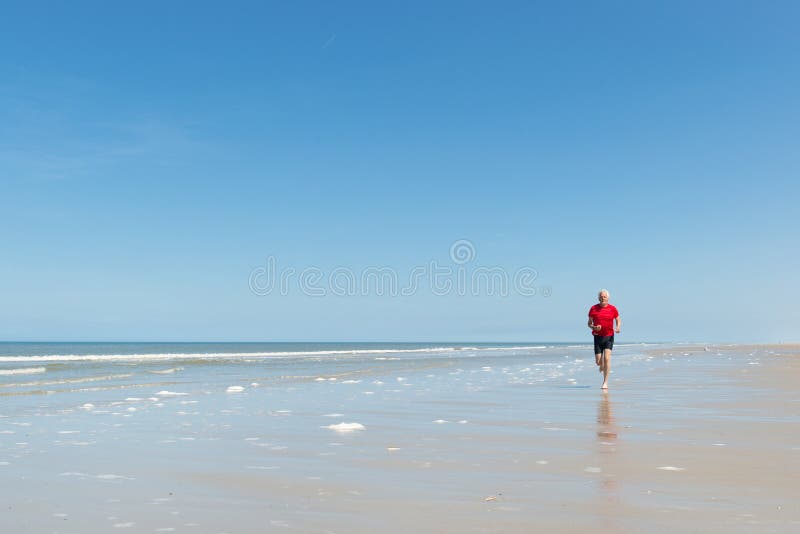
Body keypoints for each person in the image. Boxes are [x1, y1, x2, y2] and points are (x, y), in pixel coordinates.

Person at [587, 289, 621, 389]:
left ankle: (605, 382)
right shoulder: (593, 308)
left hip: (609, 336)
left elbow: (618, 319)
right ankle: (601, 364)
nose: (603, 298)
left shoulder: (613, 308)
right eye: (601, 297)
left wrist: (618, 327)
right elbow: (589, 323)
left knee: (607, 358)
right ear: (598, 298)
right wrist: (594, 327)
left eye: (605, 297)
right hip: (597, 337)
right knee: (598, 362)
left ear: (608, 298)